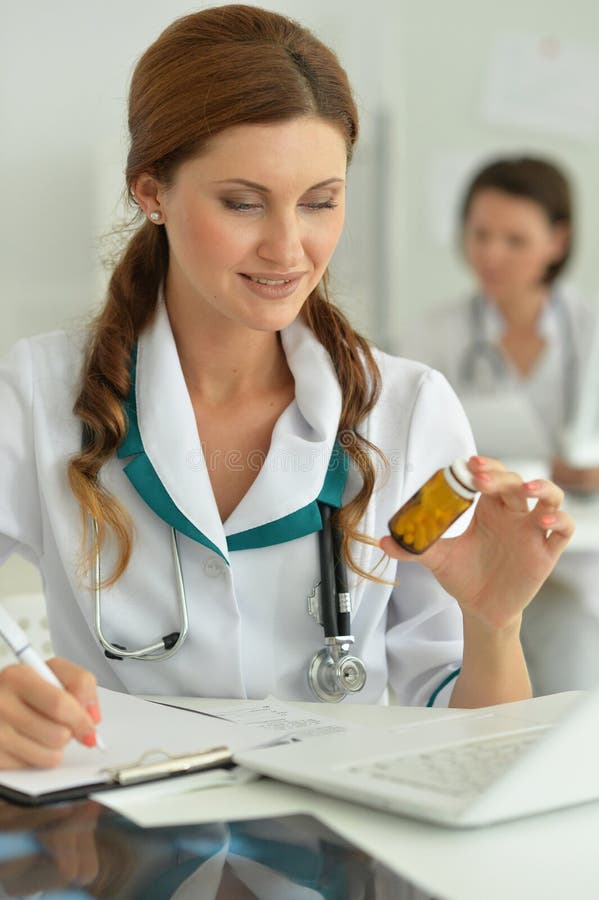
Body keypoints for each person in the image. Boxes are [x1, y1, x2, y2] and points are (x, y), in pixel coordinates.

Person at [0, 7, 572, 769]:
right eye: (242, 203)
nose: (287, 247)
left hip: (342, 831)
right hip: (113, 829)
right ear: (151, 191)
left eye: (319, 201)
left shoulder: (407, 410)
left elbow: (474, 757)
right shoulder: (39, 393)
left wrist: (493, 624)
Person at [400, 155, 599, 694]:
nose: (490, 254)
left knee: (573, 672)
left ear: (557, 241)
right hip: (475, 544)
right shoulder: (431, 335)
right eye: (480, 234)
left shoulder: (590, 330)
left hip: (578, 560)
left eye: (514, 240)